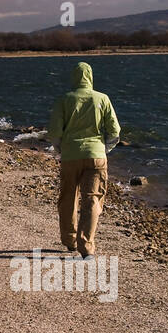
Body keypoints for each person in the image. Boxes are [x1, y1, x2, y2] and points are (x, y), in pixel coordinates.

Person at [47, 62, 120, 257]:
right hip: (96, 155)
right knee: (92, 199)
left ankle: (69, 240)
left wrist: (62, 149)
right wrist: (104, 149)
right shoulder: (102, 98)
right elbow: (114, 131)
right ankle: (86, 246)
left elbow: (54, 132)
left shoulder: (64, 100)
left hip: (71, 155)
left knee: (68, 198)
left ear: (74, 77)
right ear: (91, 77)